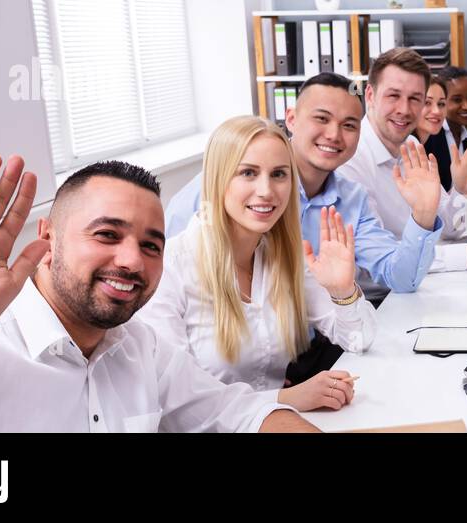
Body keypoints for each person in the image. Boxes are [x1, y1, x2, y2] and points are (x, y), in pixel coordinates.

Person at [0, 155, 317, 432]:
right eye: (106, 234)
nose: (132, 261)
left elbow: (236, 414)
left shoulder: (140, 347)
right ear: (49, 238)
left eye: (151, 245)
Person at [139, 115, 376, 413]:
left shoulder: (282, 256)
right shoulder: (171, 268)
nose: (266, 191)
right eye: (248, 173)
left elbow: (360, 339)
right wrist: (284, 399)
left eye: (279, 174)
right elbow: (176, 400)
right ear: (219, 179)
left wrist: (342, 291)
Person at [165, 73, 445, 296]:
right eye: (321, 119)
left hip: (323, 340)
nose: (334, 134)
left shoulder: (351, 200)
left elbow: (400, 278)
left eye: (349, 125)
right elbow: (168, 274)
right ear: (291, 119)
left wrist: (422, 214)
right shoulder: (225, 180)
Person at [336, 48, 467, 274]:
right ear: (370, 95)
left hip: (416, 284)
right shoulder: (351, 160)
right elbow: (382, 257)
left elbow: (449, 229)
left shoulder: (410, 145)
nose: (404, 109)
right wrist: (466, 257)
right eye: (393, 96)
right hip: (381, 299)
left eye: (415, 99)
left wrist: (463, 190)